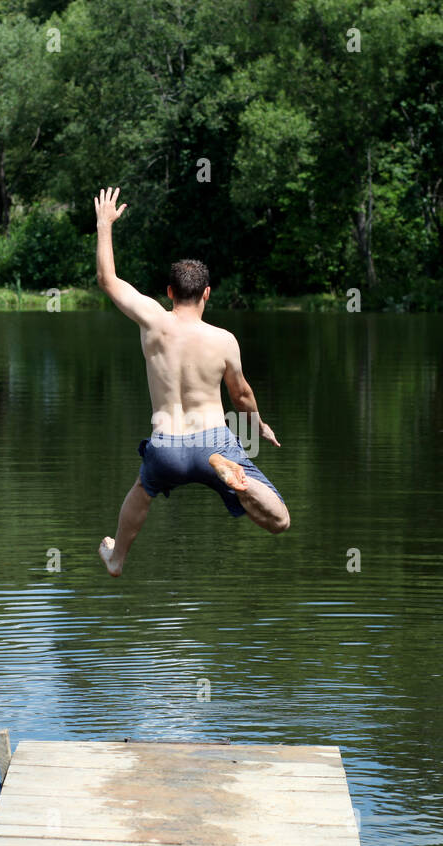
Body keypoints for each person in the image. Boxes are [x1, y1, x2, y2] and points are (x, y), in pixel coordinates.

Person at [93, 187, 289, 576]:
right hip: (213, 442)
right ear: (207, 294)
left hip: (166, 446)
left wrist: (104, 224)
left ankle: (116, 560)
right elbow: (242, 396)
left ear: (169, 293)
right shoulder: (223, 340)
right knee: (279, 521)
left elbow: (107, 279)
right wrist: (258, 425)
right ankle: (239, 483)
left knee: (143, 490)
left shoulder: (153, 321)